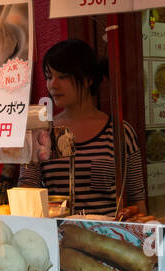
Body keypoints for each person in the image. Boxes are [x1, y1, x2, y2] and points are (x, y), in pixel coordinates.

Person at [18, 39, 146, 216]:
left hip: (107, 235)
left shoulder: (120, 132)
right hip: (56, 236)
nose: (53, 85)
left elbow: (137, 199)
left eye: (62, 77)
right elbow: (26, 191)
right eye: (49, 77)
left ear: (88, 80)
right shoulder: (42, 133)